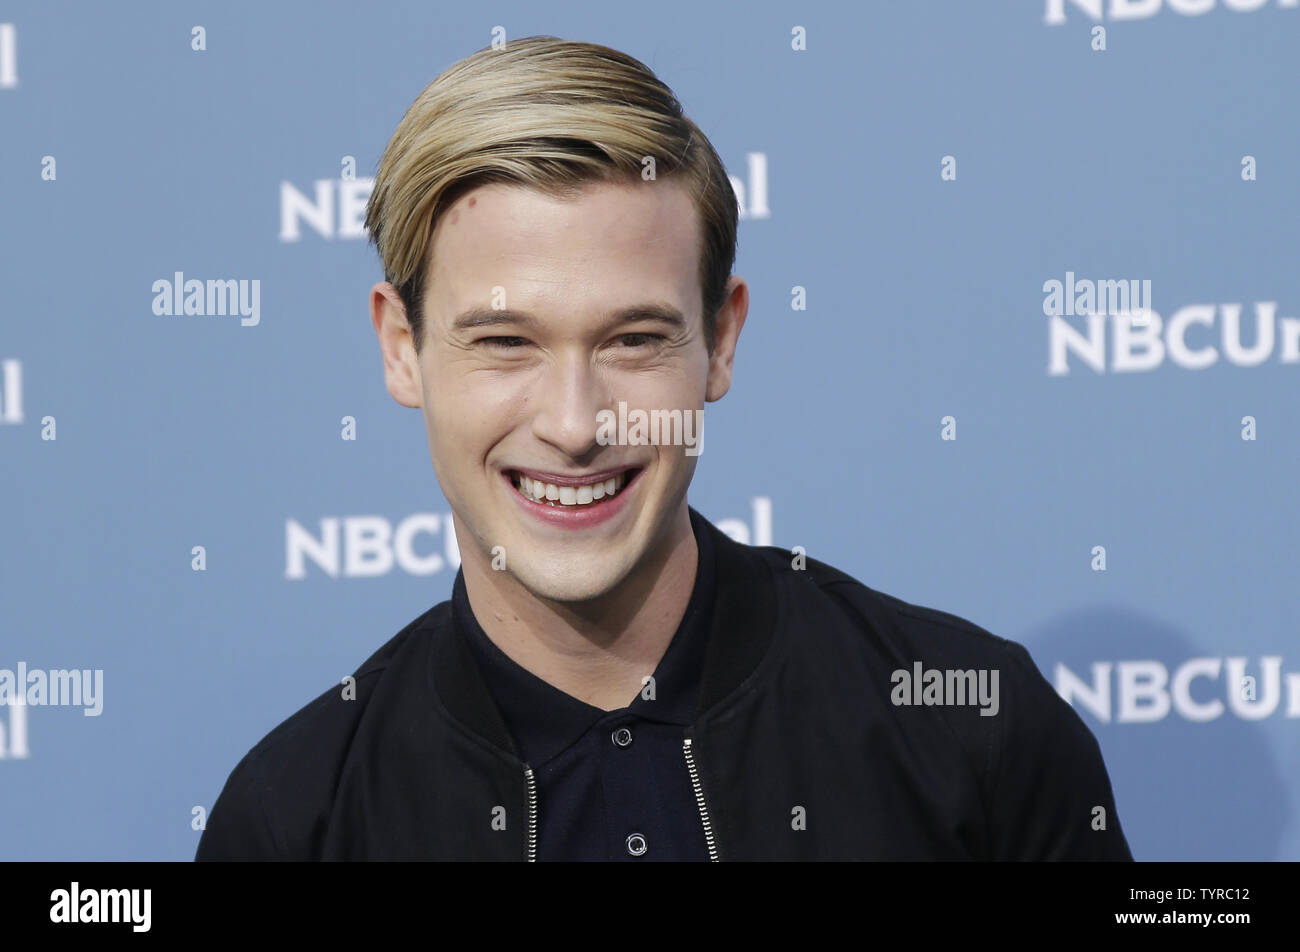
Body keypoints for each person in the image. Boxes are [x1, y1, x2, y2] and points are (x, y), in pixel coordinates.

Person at [196, 35, 1132, 861]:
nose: (575, 424)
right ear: (402, 349)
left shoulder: (971, 728)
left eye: (634, 340)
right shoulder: (295, 822)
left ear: (721, 340)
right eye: (506, 342)